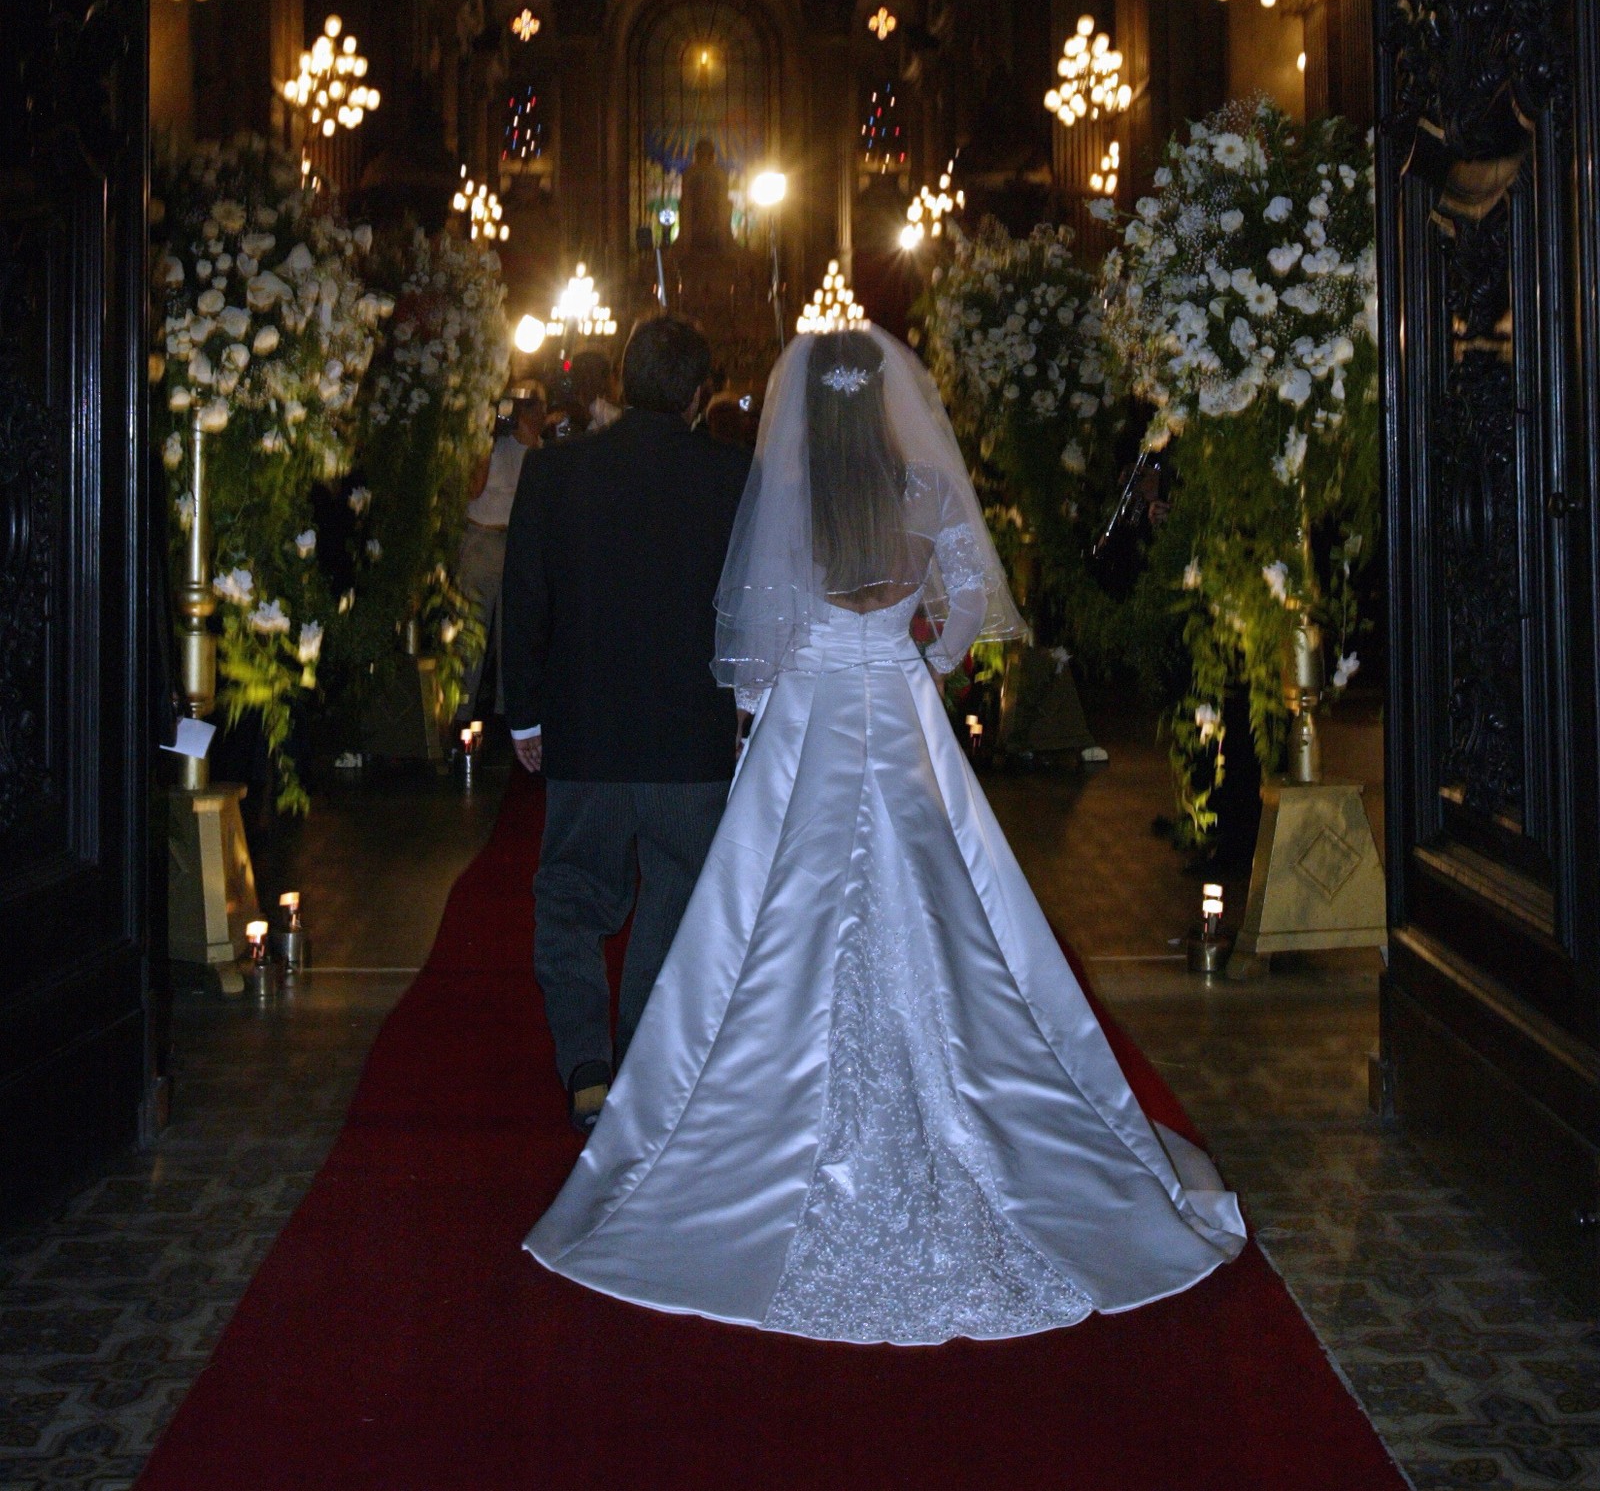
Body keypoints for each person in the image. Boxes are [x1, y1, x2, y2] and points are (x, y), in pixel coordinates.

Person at [525, 325, 1245, 1343]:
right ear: (884, 402)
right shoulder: (925, 492)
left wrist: (767, 720)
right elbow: (968, 614)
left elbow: (757, 653)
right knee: (949, 921)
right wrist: (919, 658)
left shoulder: (786, 496)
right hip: (900, 724)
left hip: (809, 723)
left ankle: (732, 1129)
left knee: (770, 933)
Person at [501, 314, 750, 1134]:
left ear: (623, 382)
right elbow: (751, 604)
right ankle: (643, 1062)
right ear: (699, 393)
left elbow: (525, 597)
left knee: (572, 897)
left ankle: (586, 1064)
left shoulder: (555, 470)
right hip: (691, 734)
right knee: (676, 899)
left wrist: (524, 714)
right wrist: (748, 708)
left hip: (587, 727)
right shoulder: (732, 475)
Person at [452, 384, 546, 729]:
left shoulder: (539, 449)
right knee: (472, 631)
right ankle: (461, 711)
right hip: (483, 538)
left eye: (534, 405)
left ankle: (511, 716)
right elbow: (473, 488)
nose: (530, 413)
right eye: (524, 406)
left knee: (514, 634)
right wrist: (486, 438)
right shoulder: (488, 442)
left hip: (516, 543)